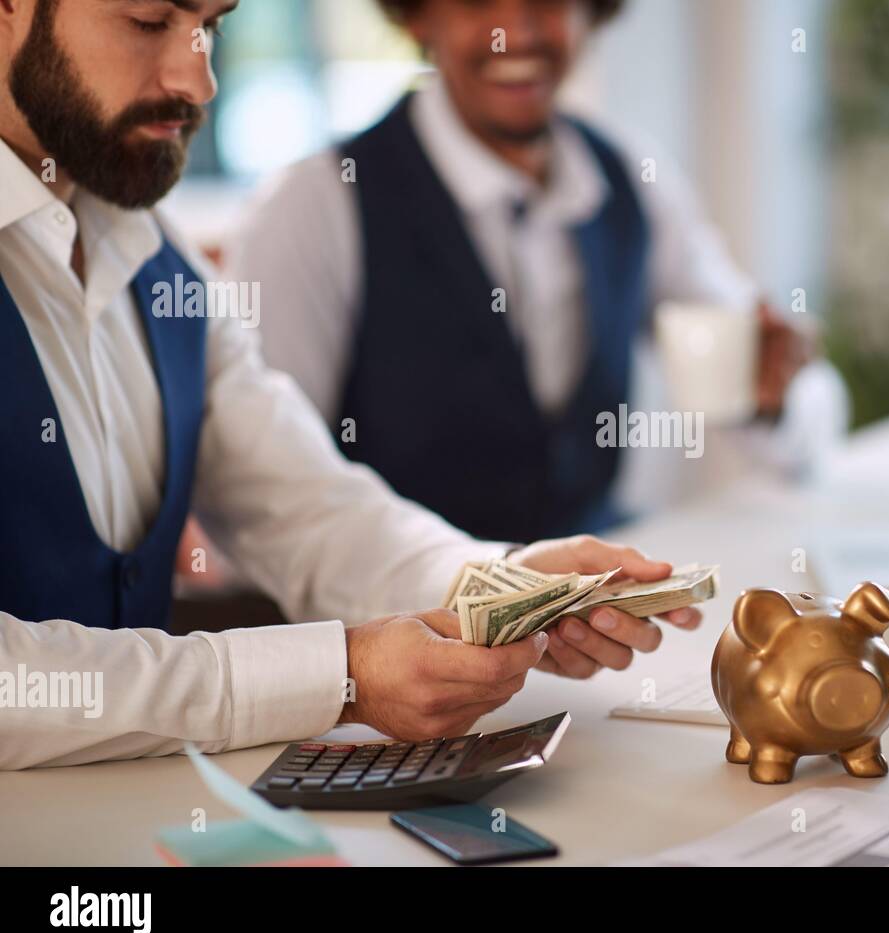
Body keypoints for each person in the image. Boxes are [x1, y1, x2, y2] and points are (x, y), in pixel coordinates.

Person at [0, 0, 699, 771]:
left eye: (213, 25)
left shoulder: (156, 255)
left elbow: (305, 507)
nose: (198, 81)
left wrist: (497, 587)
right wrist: (336, 676)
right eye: (148, 21)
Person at [228, 0, 830, 545]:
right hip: (406, 634)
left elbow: (799, 430)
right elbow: (266, 498)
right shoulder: (315, 206)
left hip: (599, 612)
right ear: (416, 16)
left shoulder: (631, 179)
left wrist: (768, 397)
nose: (515, 32)